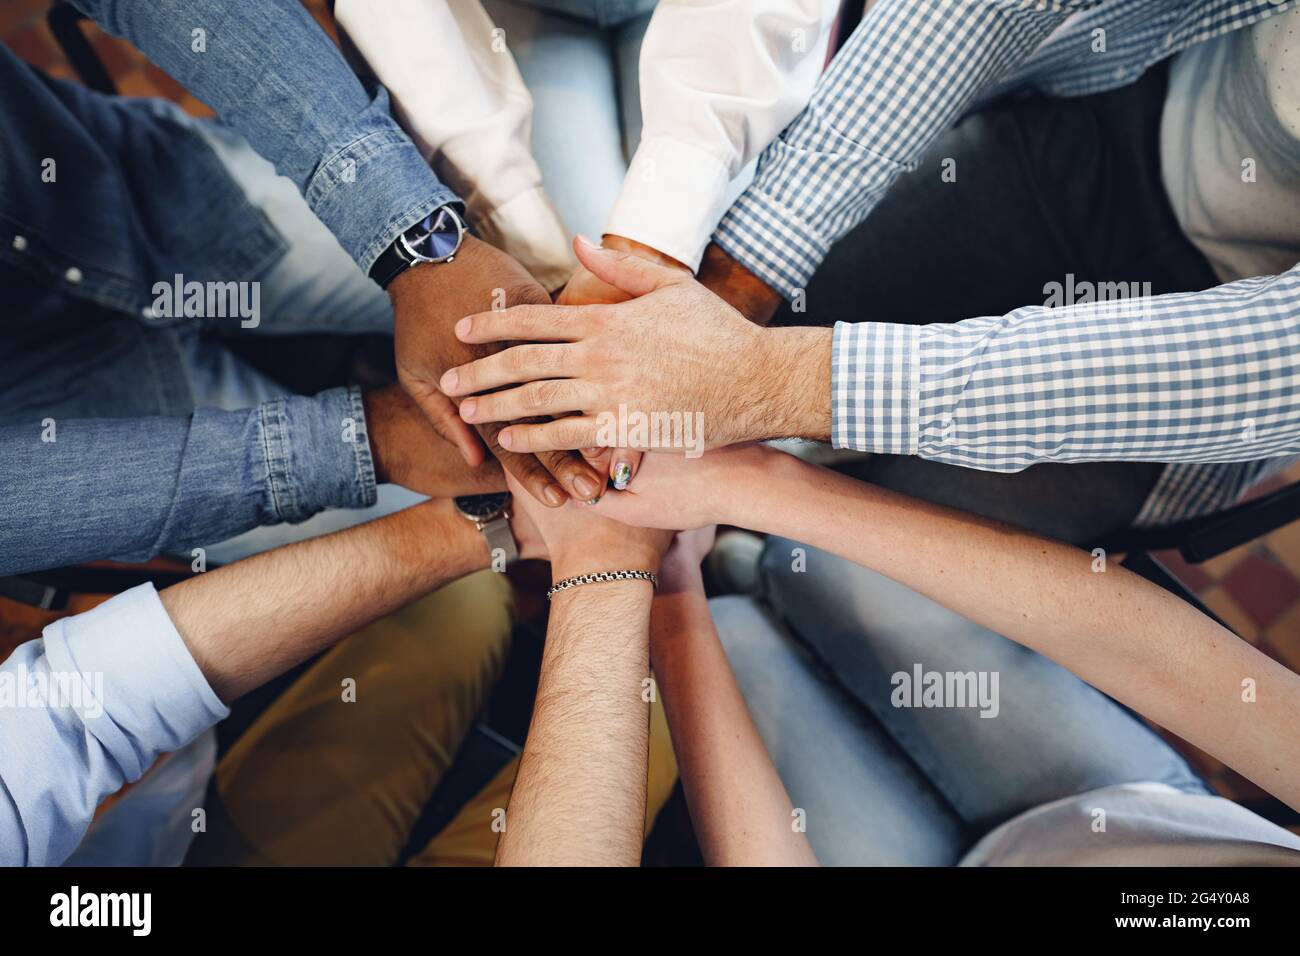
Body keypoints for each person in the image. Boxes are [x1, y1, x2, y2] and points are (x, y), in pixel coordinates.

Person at [444, 0, 1300, 543]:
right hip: (1094, 119)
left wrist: (769, 379)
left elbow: (1270, 366)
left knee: (861, 582)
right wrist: (739, 276)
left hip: (1203, 406)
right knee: (753, 339)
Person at [591, 443, 1300, 864]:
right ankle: (774, 576)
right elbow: (1164, 659)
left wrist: (672, 587)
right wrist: (756, 480)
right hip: (1112, 808)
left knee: (737, 639)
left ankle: (758, 588)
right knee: (826, 564)